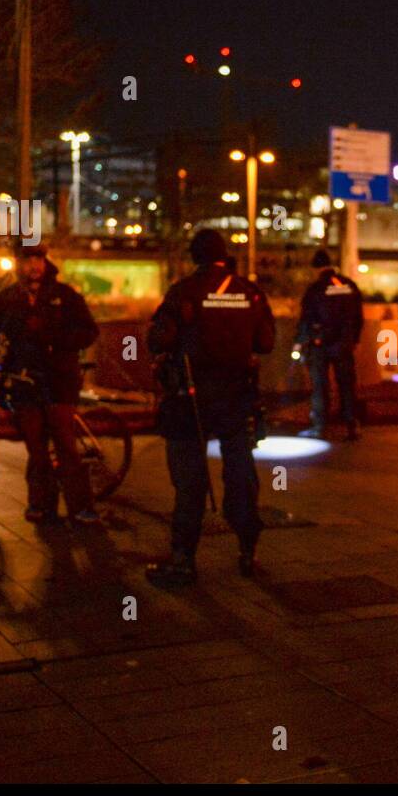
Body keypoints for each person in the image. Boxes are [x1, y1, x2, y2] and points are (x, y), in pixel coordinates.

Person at [146, 229, 274, 586]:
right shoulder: (250, 292)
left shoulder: (184, 291)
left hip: (191, 401)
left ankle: (183, 559)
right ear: (224, 255)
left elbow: (160, 339)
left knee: (189, 482)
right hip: (237, 398)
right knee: (241, 475)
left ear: (194, 256)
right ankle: (248, 549)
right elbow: (265, 342)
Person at [0, 240, 100, 524]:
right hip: (24, 382)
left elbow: (88, 331)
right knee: (36, 447)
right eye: (27, 259)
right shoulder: (9, 298)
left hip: (59, 380)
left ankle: (82, 506)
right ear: (19, 263)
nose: (34, 265)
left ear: (46, 263)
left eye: (39, 259)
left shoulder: (64, 296)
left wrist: (54, 338)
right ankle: (40, 503)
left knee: (66, 445)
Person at [292, 249, 363, 440]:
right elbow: (358, 317)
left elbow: (306, 318)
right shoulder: (349, 285)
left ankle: (319, 426)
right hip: (344, 344)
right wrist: (354, 339)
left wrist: (298, 343)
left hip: (320, 344)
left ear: (316, 269)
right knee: (347, 385)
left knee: (320, 386)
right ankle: (352, 424)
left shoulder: (316, 288)